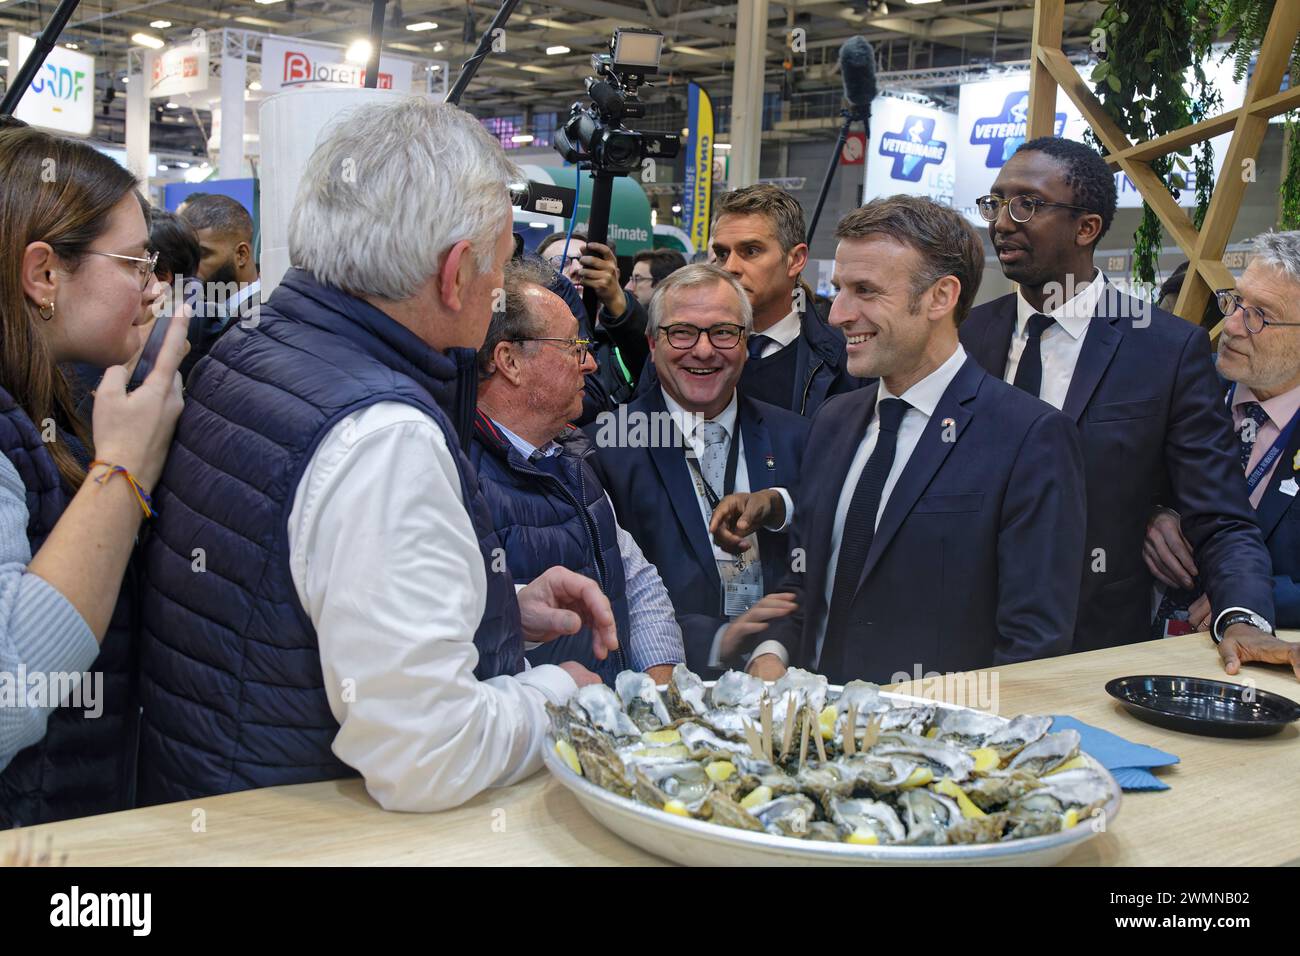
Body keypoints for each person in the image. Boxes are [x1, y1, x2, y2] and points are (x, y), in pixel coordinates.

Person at [138, 97, 617, 812]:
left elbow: (302, 599)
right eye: (500, 262)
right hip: (304, 838)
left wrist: (494, 611)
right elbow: (426, 753)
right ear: (455, 274)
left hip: (213, 800)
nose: (501, 289)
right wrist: (558, 694)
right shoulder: (382, 435)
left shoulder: (252, 349)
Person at [713, 196, 1087, 684]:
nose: (838, 314)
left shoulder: (1029, 438)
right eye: (839, 289)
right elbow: (806, 581)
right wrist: (771, 653)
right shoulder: (833, 421)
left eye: (865, 291)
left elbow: (1033, 648)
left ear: (940, 297)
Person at [960, 136, 1280, 663]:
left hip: (1096, 650)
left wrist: (1242, 618)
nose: (1001, 221)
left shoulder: (1165, 349)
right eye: (996, 202)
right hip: (964, 639)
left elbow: (1220, 516)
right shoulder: (965, 338)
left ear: (1087, 228)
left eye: (1027, 204)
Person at [0, 126, 187, 826]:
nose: (153, 288)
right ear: (44, 273)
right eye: (136, 264)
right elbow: (7, 695)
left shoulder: (47, 394)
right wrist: (122, 468)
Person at [472, 259, 685, 685]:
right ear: (509, 360)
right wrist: (556, 695)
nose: (589, 364)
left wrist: (658, 690)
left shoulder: (571, 454)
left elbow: (637, 580)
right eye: (573, 346)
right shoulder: (460, 480)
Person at [590, 264, 810, 677]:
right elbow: (607, 594)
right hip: (663, 689)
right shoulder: (606, 448)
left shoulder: (801, 439)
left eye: (724, 332)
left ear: (746, 343)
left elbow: (819, 563)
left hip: (787, 679)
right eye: (682, 332)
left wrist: (771, 644)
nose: (705, 350)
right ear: (652, 343)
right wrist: (717, 640)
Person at [1144, 232, 1300, 678]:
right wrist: (1148, 515)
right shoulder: (1178, 396)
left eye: (1260, 317)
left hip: (1257, 672)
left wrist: (1244, 600)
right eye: (1235, 302)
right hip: (1137, 655)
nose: (1230, 326)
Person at [538, 230, 652, 411]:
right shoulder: (526, 341)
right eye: (561, 262)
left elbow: (652, 363)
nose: (577, 269)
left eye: (586, 262)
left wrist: (616, 299)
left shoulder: (623, 343)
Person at [179, 193, 260, 323]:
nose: (190, 266)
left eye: (202, 254)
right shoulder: (194, 316)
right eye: (186, 255)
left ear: (241, 254)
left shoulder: (266, 318)